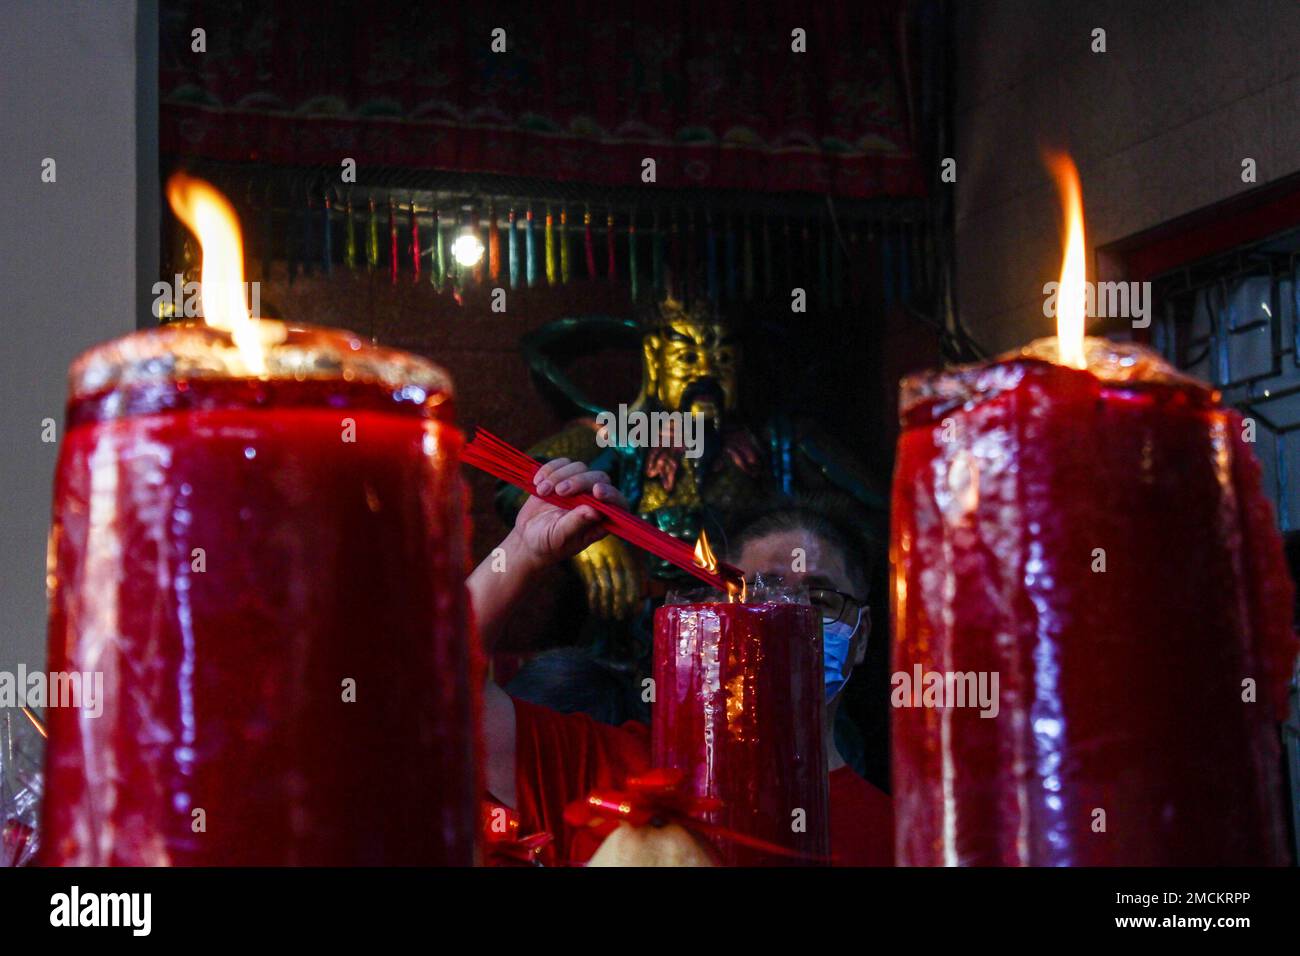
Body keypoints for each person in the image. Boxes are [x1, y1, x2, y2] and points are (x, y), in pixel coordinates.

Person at [471, 457, 894, 866]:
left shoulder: (897, 836)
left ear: (861, 636)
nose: (787, 615)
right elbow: (440, 692)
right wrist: (523, 550)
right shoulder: (622, 780)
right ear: (709, 621)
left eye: (818, 600)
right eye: (759, 594)